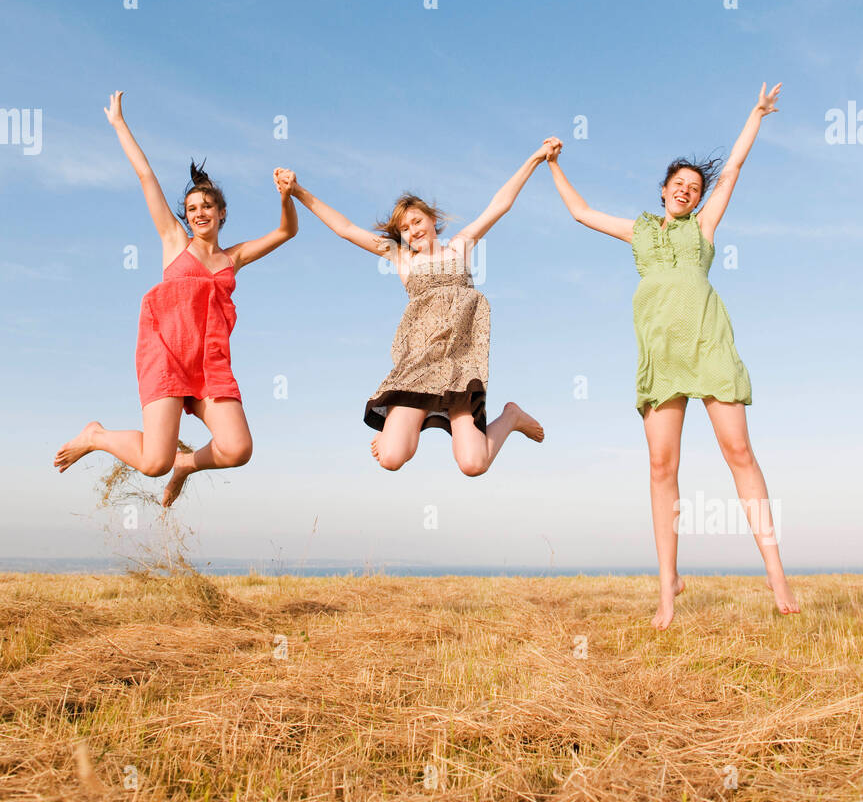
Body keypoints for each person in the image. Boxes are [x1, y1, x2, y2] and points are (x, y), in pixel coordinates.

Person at [546, 85, 798, 627]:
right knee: (662, 466)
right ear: (663, 190)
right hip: (660, 358)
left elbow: (731, 170)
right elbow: (581, 212)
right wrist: (552, 164)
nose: (688, 191)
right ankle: (668, 587)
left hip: (709, 347)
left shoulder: (704, 227)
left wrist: (754, 115)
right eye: (679, 184)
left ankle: (776, 571)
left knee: (739, 453)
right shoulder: (637, 232)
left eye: (694, 188)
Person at [54, 91, 298, 507]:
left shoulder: (232, 258)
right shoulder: (174, 242)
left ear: (221, 212)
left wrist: (285, 197)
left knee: (238, 448)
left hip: (209, 364)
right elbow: (147, 177)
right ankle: (96, 435)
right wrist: (118, 124)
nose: (199, 212)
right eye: (192, 208)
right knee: (153, 463)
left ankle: (188, 464)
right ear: (185, 216)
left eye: (207, 205)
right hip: (167, 355)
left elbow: (285, 232)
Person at [274, 139, 561, 475]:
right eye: (405, 229)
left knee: (473, 464)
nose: (412, 231)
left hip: (458, 365)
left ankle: (510, 416)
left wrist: (535, 159)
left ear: (431, 218)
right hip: (419, 366)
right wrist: (297, 192)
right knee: (392, 458)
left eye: (416, 221)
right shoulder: (401, 258)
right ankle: (399, 431)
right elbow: (346, 229)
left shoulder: (459, 248)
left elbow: (499, 205)